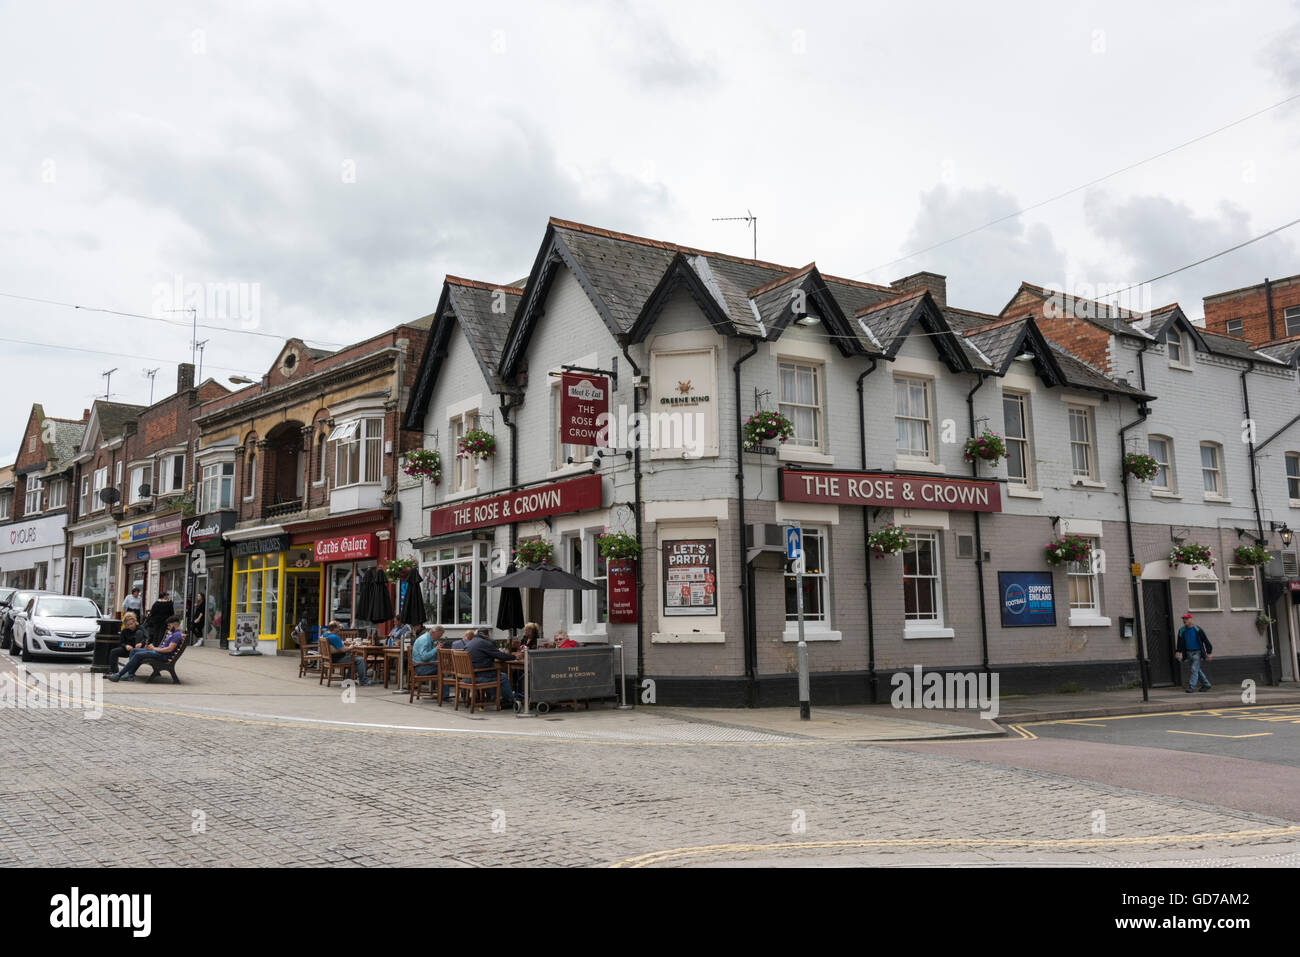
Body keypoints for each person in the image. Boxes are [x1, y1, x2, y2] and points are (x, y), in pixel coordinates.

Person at [107, 615, 185, 682]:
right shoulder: (173, 633)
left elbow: (169, 649)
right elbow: (165, 647)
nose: (168, 627)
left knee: (138, 655)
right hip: (158, 652)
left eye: (169, 626)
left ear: (174, 625)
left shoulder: (176, 635)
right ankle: (130, 674)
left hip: (162, 656)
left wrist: (154, 649)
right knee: (134, 650)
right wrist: (152, 647)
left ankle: (119, 675)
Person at [465, 627, 519, 706]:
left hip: (467, 677)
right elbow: (501, 656)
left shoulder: (469, 643)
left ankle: (496, 697)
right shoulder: (484, 643)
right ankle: (510, 701)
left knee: (495, 673)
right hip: (478, 676)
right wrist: (515, 657)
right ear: (484, 635)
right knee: (502, 676)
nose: (488, 637)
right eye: (487, 636)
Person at [320, 619, 371, 686]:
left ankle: (348, 680)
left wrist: (342, 644)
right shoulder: (335, 637)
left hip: (329, 658)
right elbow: (344, 650)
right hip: (337, 659)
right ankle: (363, 681)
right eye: (338, 627)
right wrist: (351, 647)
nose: (339, 629)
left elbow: (336, 647)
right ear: (334, 628)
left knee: (354, 659)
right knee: (359, 660)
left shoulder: (325, 634)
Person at [1175, 612, 1213, 693]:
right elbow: (1179, 642)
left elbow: (1206, 641)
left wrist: (1209, 652)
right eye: (1183, 619)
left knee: (1193, 669)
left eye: (1186, 619)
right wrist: (1178, 651)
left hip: (1197, 652)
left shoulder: (1198, 629)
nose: (1184, 620)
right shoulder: (1182, 630)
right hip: (1188, 653)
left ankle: (1191, 687)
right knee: (1197, 670)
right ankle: (1206, 684)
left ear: (1191, 620)